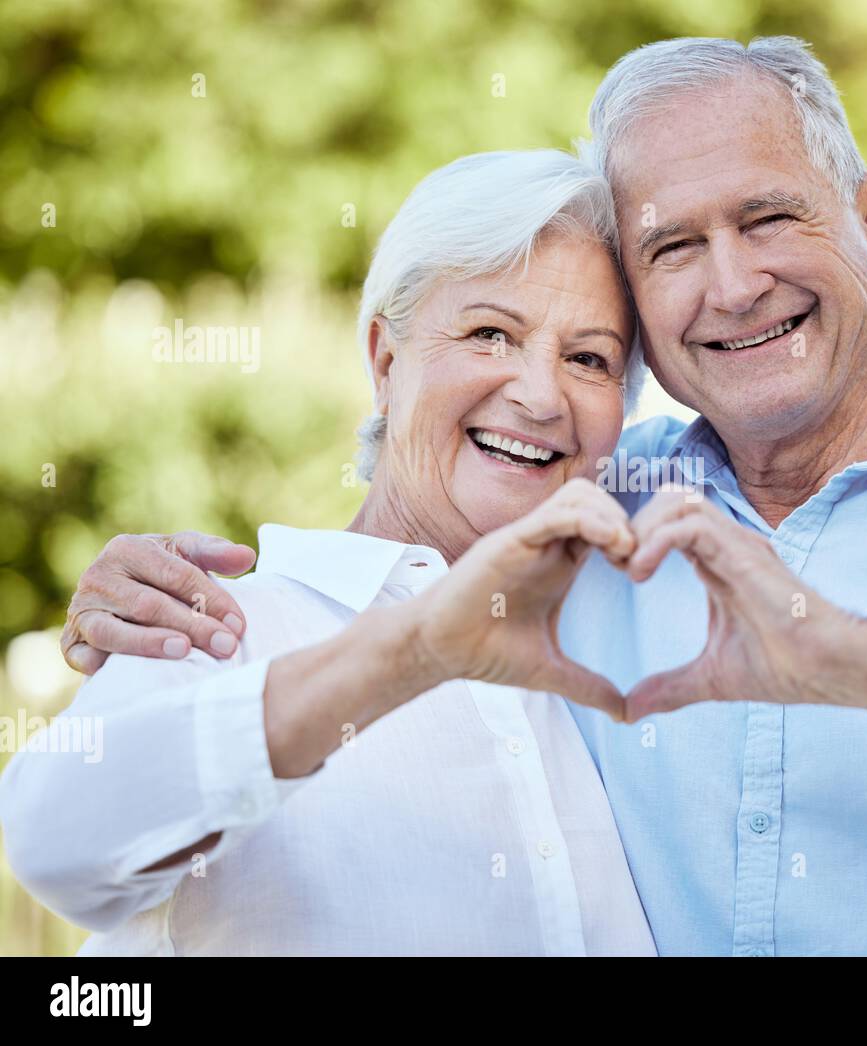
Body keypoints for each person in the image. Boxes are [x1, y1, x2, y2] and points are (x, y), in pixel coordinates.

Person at [49, 37, 867, 956]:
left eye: (768, 217)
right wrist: (138, 594)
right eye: (671, 248)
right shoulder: (601, 506)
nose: (733, 282)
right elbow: (424, 510)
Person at [0, 149, 658, 956]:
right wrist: (410, 650)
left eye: (589, 358)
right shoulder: (217, 623)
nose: (540, 393)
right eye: (490, 333)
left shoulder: (616, 635)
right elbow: (53, 843)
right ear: (386, 361)